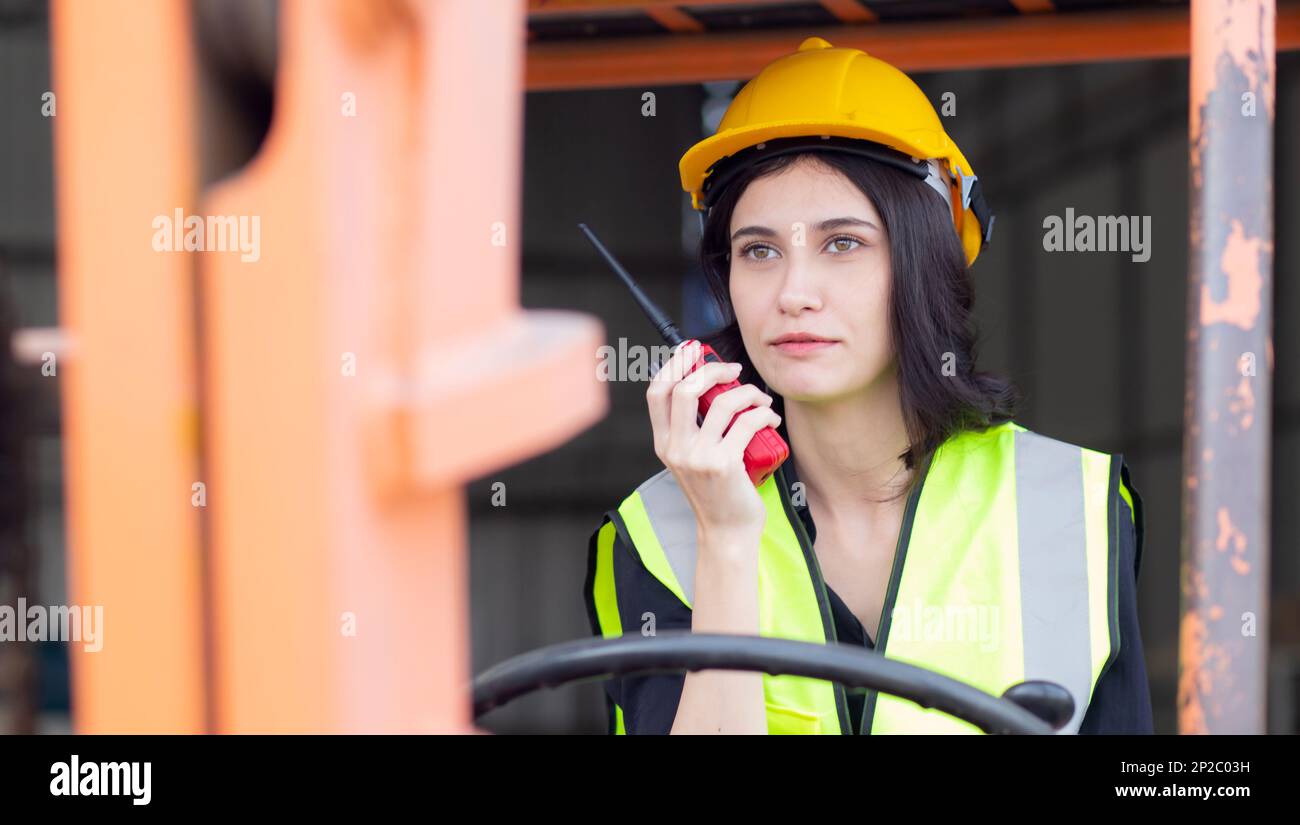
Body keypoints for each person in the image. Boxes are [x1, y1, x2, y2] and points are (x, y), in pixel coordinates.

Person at [583, 36, 1153, 735]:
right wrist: (726, 542)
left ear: (922, 262)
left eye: (842, 243)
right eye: (759, 250)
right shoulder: (657, 535)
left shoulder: (1072, 506)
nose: (794, 293)